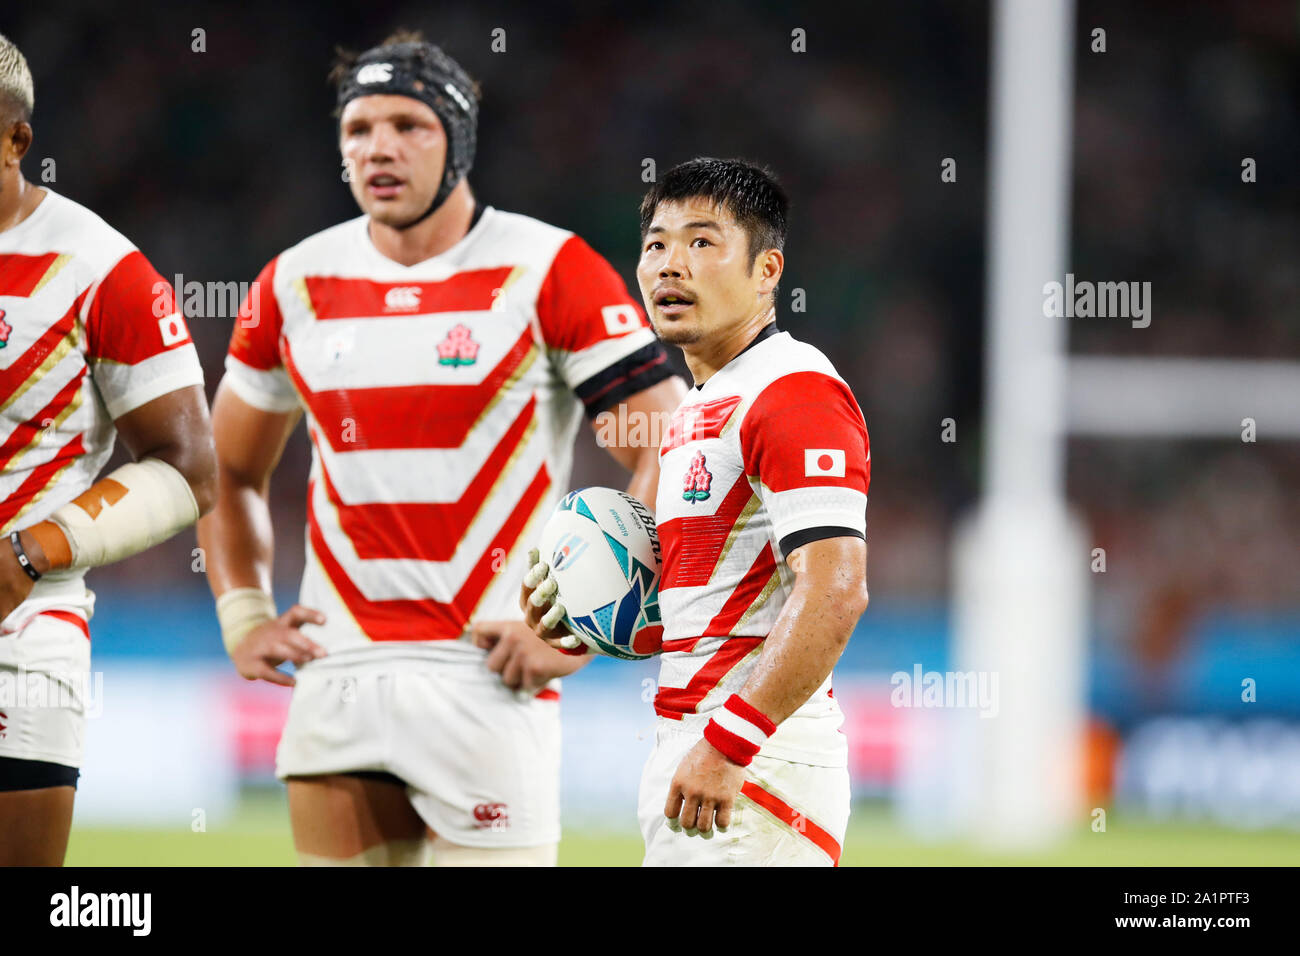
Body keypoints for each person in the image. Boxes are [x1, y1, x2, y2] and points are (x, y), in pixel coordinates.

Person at [198, 30, 684, 867]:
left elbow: (666, 442)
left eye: (408, 124)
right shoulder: (292, 283)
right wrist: (242, 614)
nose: (378, 146)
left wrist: (576, 634)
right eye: (358, 129)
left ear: (456, 140)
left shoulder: (547, 269)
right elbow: (226, 469)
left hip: (488, 675)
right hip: (337, 665)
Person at [524, 157, 870, 866]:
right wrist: (585, 620)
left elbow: (836, 589)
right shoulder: (699, 409)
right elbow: (699, 611)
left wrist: (730, 741)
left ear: (767, 271)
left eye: (702, 242)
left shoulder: (794, 389)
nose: (669, 265)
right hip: (705, 755)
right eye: (656, 245)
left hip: (754, 767)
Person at [0, 32, 216, 865]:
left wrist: (28, 553)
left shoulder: (102, 268)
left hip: (20, 638)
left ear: (17, 138)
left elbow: (190, 471)